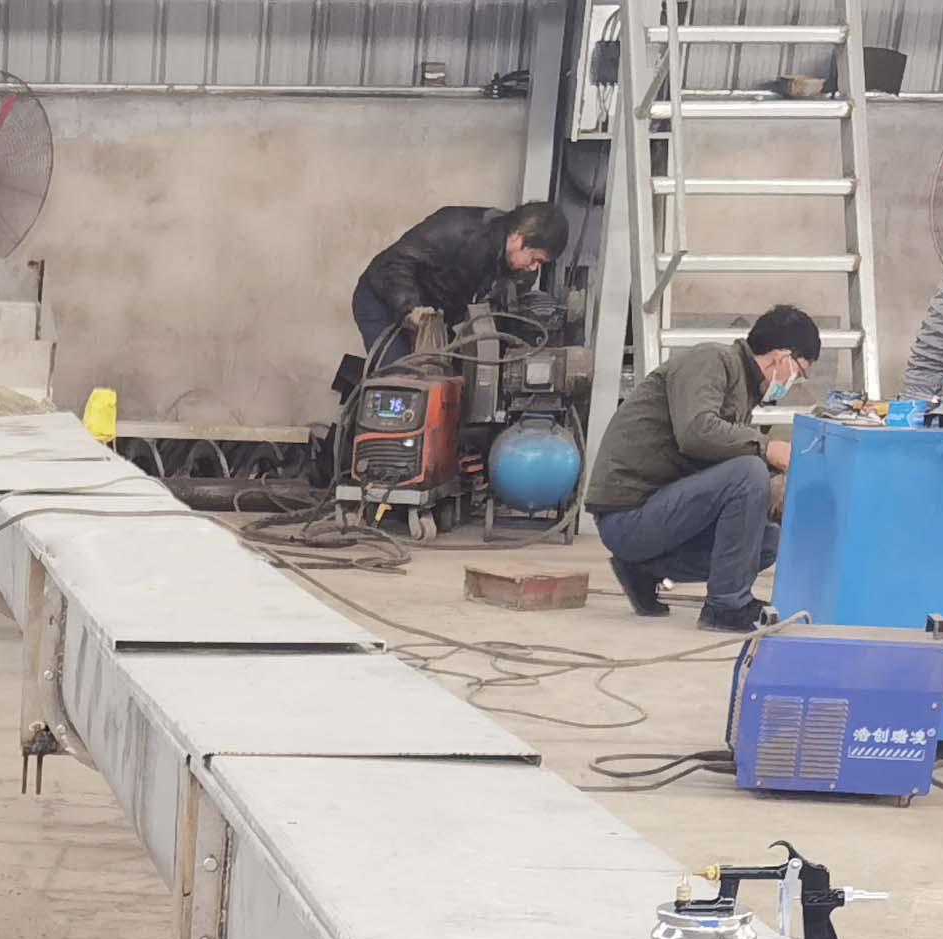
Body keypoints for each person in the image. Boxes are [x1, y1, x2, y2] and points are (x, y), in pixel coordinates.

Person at [585, 302, 823, 632]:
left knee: (767, 541)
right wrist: (767, 448)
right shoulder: (711, 361)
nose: (793, 381)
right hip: (627, 516)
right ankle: (726, 606)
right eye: (799, 371)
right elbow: (696, 432)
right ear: (781, 357)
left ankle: (643, 570)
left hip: (660, 514)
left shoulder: (743, 390)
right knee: (748, 473)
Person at [350, 202, 569, 366]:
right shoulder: (456, 229)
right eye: (535, 259)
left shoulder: (520, 273)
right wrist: (411, 309)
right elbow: (396, 263)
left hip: (437, 313)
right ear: (519, 239)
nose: (534, 268)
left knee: (445, 383)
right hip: (382, 298)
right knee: (399, 378)